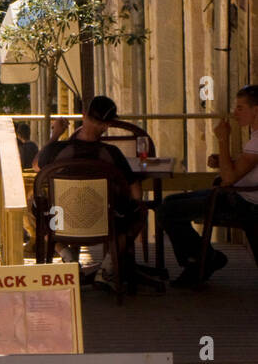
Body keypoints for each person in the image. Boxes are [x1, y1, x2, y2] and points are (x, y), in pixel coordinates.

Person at [34, 96, 144, 279]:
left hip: (61, 222)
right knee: (138, 212)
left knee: (35, 207)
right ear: (107, 125)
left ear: (84, 115)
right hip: (103, 222)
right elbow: (136, 193)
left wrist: (55, 135)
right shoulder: (111, 154)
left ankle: (66, 255)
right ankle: (108, 265)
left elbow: (36, 164)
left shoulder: (59, 151)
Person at [161, 85, 258, 286]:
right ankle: (203, 259)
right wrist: (224, 160)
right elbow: (240, 169)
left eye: (240, 108)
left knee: (167, 210)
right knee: (168, 203)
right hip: (235, 195)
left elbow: (229, 178)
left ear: (256, 110)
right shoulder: (254, 139)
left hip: (243, 203)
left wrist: (223, 140)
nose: (235, 113)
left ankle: (200, 261)